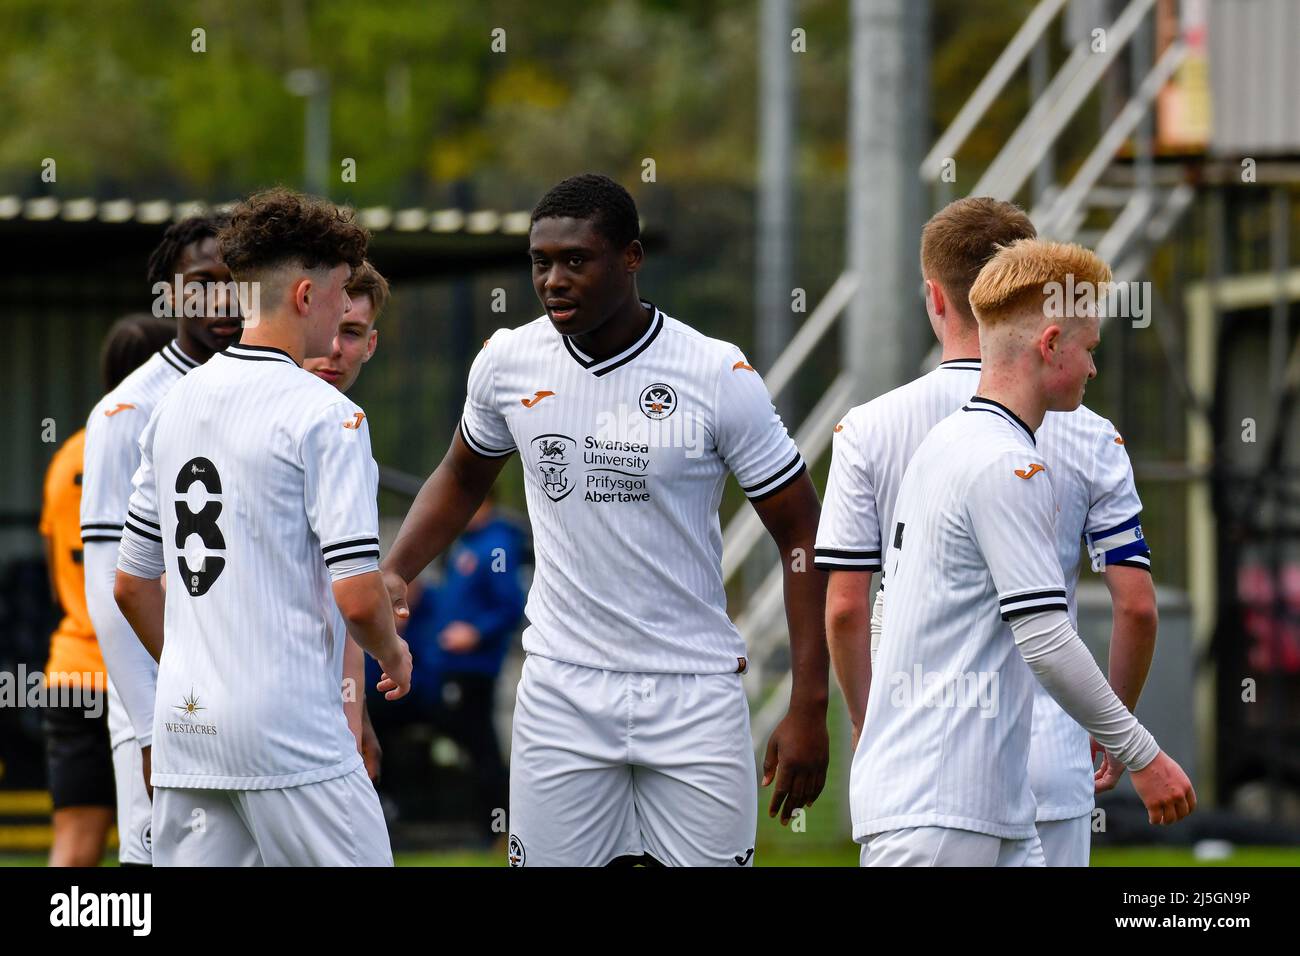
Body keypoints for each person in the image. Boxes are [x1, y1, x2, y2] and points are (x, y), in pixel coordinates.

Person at [381, 173, 829, 866]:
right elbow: (463, 473)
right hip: (563, 686)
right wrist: (397, 571)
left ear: (631, 258)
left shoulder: (715, 373)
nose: (554, 279)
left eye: (575, 260)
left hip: (693, 691)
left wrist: (807, 705)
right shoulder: (507, 362)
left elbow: (801, 531)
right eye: (540, 262)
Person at [817, 197, 1159, 865]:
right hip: (1055, 753)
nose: (1091, 367)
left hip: (927, 758)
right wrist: (1115, 730)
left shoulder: (871, 427)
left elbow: (847, 607)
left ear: (934, 298)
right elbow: (1137, 604)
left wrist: (871, 720)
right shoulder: (1087, 432)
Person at [113, 188, 411, 866]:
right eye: (340, 296)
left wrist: (204, 674)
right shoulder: (328, 417)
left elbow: (132, 585)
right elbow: (359, 596)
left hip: (190, 730)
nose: (342, 316)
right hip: (292, 735)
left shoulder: (171, 404)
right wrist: (394, 655)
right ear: (306, 295)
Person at [80, 215, 241, 865]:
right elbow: (108, 587)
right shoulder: (127, 411)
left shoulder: (271, 394)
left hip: (253, 696)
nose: (224, 299)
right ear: (171, 295)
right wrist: (152, 726)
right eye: (202, 283)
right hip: (167, 705)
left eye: (237, 282)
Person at [41, 315, 175, 866]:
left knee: (76, 844)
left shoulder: (69, 454)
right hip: (142, 669)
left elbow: (57, 575)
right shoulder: (160, 445)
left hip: (72, 664)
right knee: (156, 838)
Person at [389, 490, 525, 841]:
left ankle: (497, 830)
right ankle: (486, 826)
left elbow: (511, 605)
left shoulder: (497, 544)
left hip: (473, 668)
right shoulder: (464, 543)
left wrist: (476, 632)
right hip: (445, 665)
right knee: (465, 740)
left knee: (480, 746)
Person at [305, 259, 390, 780]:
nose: (336, 349)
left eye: (352, 333)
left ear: (371, 344)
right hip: (284, 725)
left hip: (305, 713)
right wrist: (395, 655)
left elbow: (342, 600)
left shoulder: (346, 427)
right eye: (329, 330)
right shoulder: (336, 425)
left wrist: (354, 717)